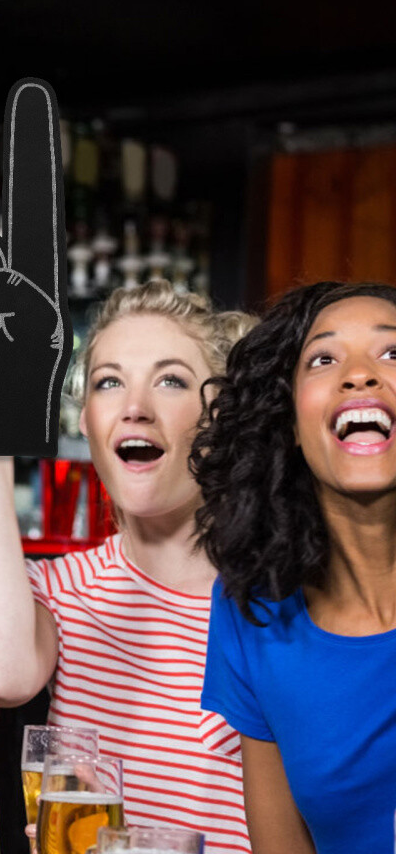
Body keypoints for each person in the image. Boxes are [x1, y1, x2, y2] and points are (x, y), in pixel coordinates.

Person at [0, 280, 254, 853]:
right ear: (88, 422)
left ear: (222, 416)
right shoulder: (61, 590)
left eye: (170, 380)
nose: (134, 407)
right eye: (109, 382)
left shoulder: (276, 601)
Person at [195, 281, 396, 854]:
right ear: (288, 422)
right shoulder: (254, 611)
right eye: (324, 359)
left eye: (392, 352)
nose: (359, 375)